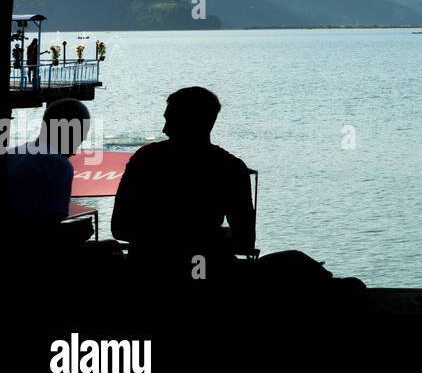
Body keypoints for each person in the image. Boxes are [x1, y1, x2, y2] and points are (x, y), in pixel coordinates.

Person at [112, 87, 255, 285]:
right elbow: (245, 240)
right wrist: (212, 236)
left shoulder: (146, 159)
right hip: (202, 270)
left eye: (170, 120)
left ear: (189, 122)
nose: (164, 129)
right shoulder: (231, 168)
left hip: (148, 270)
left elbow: (120, 228)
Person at [6, 99, 95, 252]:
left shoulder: (13, 154)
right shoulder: (58, 165)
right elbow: (46, 235)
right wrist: (76, 232)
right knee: (110, 249)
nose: (84, 138)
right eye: (82, 132)